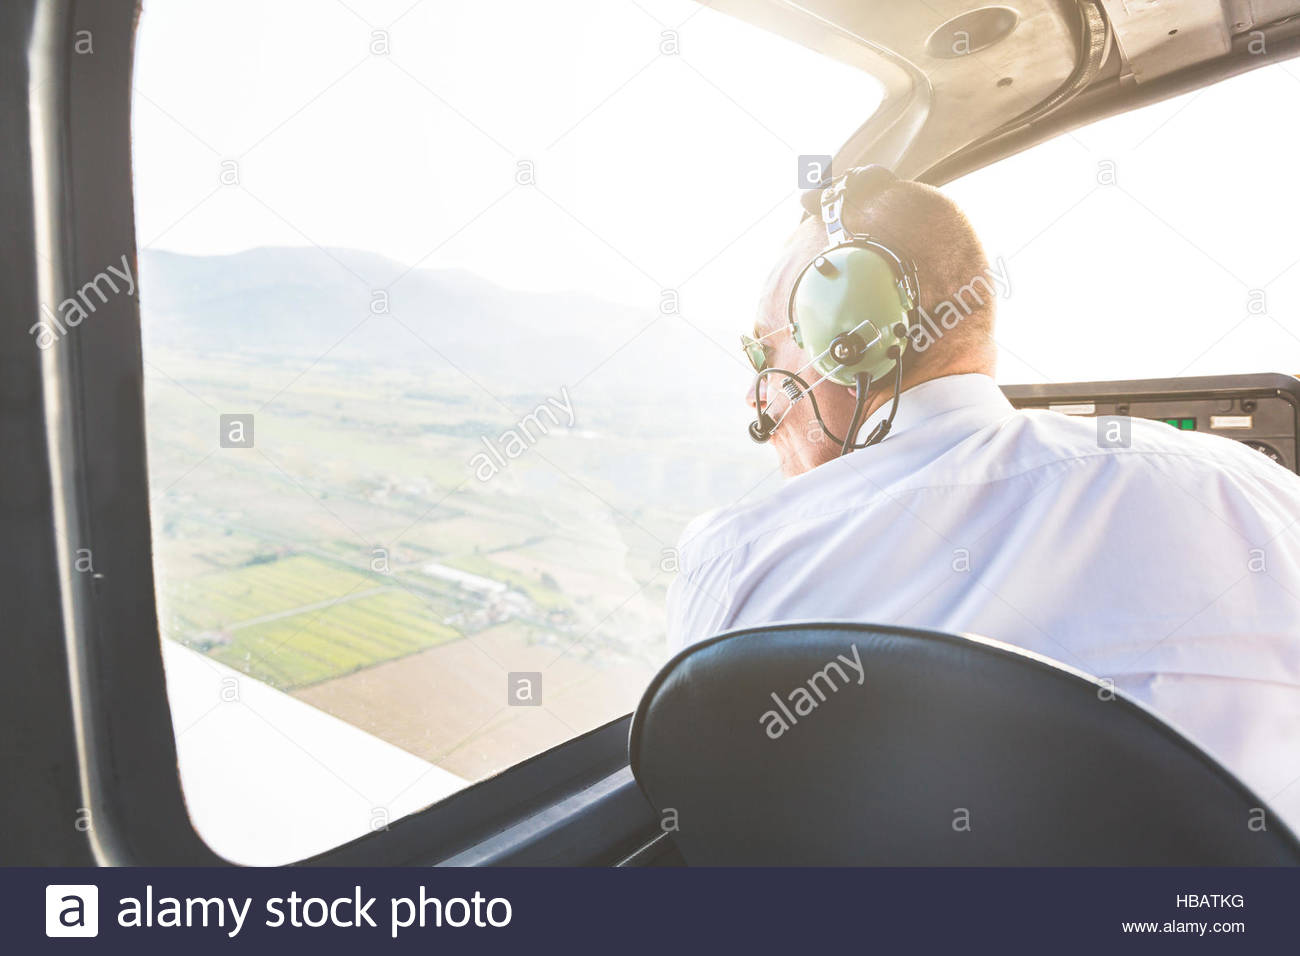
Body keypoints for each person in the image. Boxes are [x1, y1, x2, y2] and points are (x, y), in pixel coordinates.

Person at [666, 168, 1300, 834]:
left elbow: (711, 822)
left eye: (764, 351)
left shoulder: (739, 567)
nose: (757, 397)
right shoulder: (1266, 496)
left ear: (851, 338)